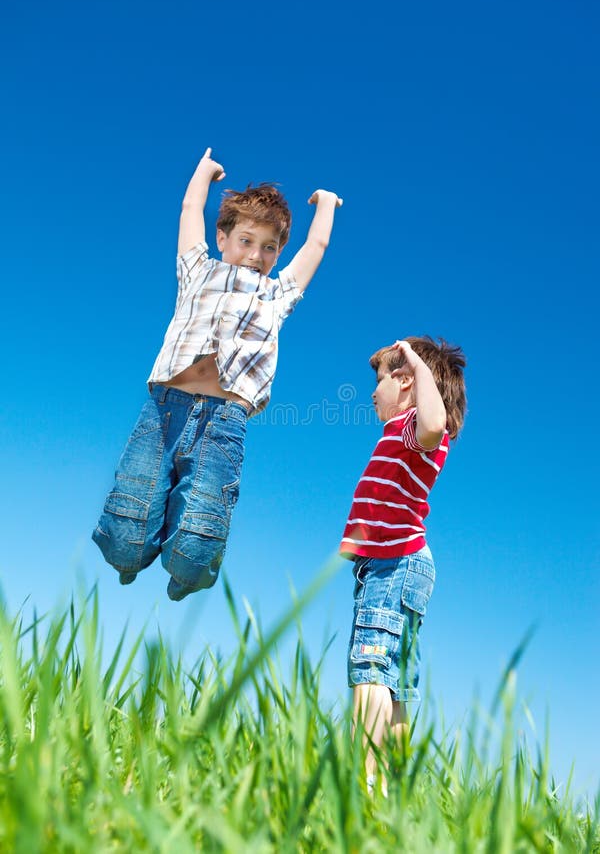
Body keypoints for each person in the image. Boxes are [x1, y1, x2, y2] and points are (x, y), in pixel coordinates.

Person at [93, 147, 342, 601]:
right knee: (124, 535)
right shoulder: (198, 271)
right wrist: (203, 174)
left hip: (224, 425)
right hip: (164, 412)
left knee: (196, 543)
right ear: (223, 237)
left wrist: (325, 205)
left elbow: (316, 248)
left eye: (269, 247)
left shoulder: (276, 294)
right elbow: (190, 210)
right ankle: (129, 561)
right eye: (246, 241)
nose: (256, 254)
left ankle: (188, 575)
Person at [340, 336, 466, 792]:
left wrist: (413, 356)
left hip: (396, 566)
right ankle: (390, 796)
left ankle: (361, 787)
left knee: (371, 669)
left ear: (407, 380)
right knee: (394, 687)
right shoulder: (401, 433)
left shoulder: (415, 427)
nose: (373, 392)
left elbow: (434, 421)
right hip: (399, 566)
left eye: (380, 381)